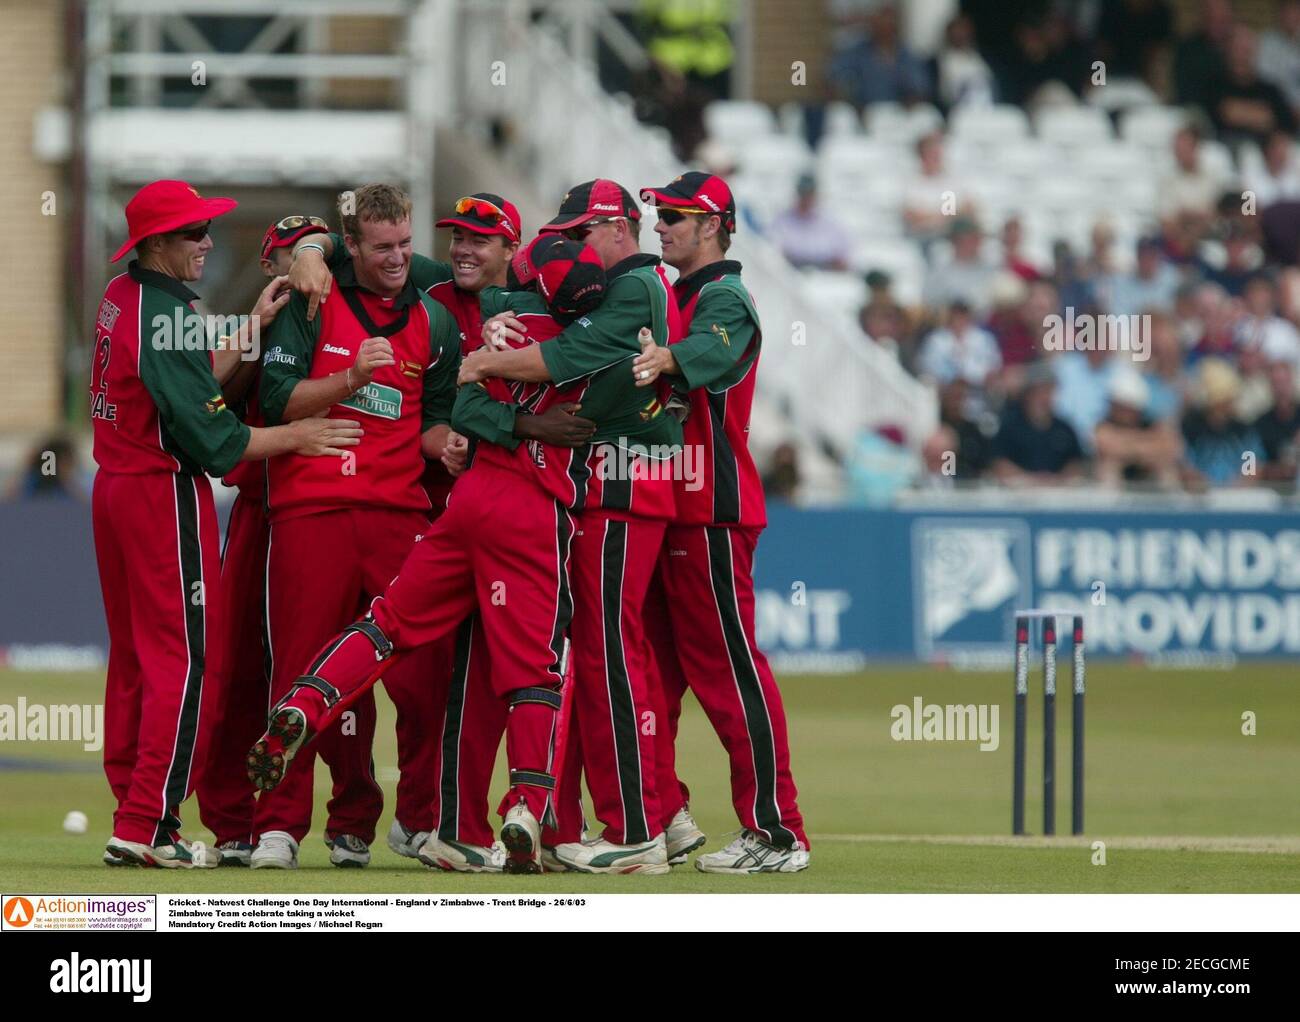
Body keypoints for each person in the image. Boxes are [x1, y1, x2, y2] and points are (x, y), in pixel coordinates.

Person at [92, 179, 360, 868]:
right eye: (193, 233)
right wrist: (299, 438)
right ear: (155, 244)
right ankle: (150, 823)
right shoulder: (161, 310)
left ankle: (133, 808)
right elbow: (217, 441)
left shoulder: (128, 297)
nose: (207, 242)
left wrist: (249, 327)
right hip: (159, 491)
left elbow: (189, 377)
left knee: (133, 662)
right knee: (185, 662)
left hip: (115, 488)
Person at [468, 179, 696, 872]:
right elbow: (530, 310)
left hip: (622, 478)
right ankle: (655, 815)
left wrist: (481, 362)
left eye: (578, 234)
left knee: (605, 655)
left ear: (614, 229)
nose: (569, 248)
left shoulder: (635, 288)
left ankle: (635, 829)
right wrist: (495, 319)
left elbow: (560, 359)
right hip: (614, 481)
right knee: (604, 652)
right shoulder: (618, 287)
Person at [246, 184, 461, 870]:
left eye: (405, 244)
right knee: (306, 669)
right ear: (352, 247)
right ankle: (280, 826)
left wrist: (451, 443)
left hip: (400, 516)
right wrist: (346, 379)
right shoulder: (312, 300)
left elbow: (432, 418)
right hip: (312, 508)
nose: (398, 258)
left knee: (424, 672)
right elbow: (277, 401)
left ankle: (418, 820)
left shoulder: (434, 315)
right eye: (381, 247)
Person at [633, 171, 811, 873]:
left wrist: (659, 357)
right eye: (659, 214)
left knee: (731, 671)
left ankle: (778, 832)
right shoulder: (674, 293)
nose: (662, 225)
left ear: (712, 226)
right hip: (665, 507)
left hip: (711, 511)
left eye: (675, 216)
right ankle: (658, 816)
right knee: (649, 671)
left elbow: (703, 357)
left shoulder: (725, 296)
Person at [195, 213, 331, 867]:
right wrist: (256, 330)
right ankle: (231, 823)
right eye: (285, 257)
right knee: (236, 668)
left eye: (307, 256)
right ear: (270, 267)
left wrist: (314, 250)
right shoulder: (249, 325)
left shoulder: (336, 310)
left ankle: (349, 818)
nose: (300, 271)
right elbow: (207, 398)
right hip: (259, 509)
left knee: (314, 673)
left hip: (331, 510)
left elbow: (327, 235)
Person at [990, 361, 1087, 485]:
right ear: (1028, 394)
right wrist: (1031, 481)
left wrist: (1056, 481)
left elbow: (1076, 464)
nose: (1045, 397)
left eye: (1049, 390)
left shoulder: (1064, 429)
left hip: (1058, 497)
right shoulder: (1009, 427)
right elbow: (999, 464)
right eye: (1040, 391)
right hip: (1016, 497)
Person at [1180, 358, 1264, 488]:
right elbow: (1185, 466)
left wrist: (1234, 488)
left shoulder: (1244, 430)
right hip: (1199, 499)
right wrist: (1204, 486)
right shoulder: (1191, 428)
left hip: (1237, 497)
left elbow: (1252, 467)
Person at [1094, 368, 1184, 488]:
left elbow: (1172, 447)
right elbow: (1108, 447)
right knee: (1109, 468)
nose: (1115, 409)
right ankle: (1108, 506)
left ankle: (1170, 506)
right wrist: (1148, 444)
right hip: (1118, 482)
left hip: (1148, 477)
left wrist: (1129, 447)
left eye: (1121, 406)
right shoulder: (1104, 423)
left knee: (1166, 469)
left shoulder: (1151, 422)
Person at [767, 173, 852, 271]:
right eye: (803, 193)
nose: (806, 199)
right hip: (791, 274)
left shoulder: (831, 222)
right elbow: (774, 253)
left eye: (809, 194)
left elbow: (844, 258)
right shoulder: (781, 221)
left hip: (825, 276)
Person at [1253, 357, 1300, 486]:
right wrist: (1276, 471)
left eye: (1284, 382)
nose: (1281, 389)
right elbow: (1248, 469)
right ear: (1270, 387)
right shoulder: (1259, 424)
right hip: (1269, 494)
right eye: (1276, 383)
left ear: (1292, 382)